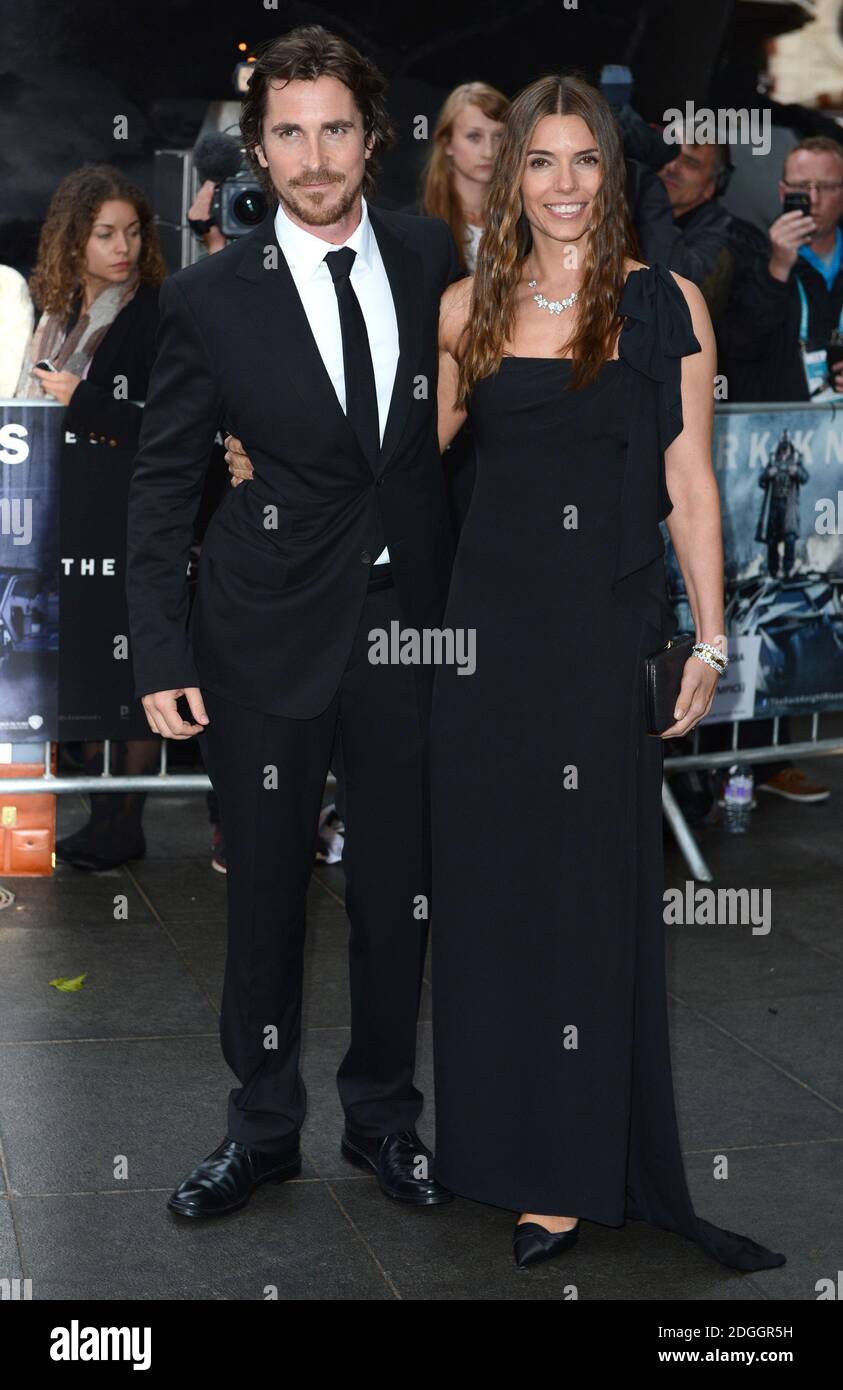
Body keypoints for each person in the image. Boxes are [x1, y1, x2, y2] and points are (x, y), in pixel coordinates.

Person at [429, 73, 785, 1272]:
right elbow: (399, 472)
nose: (567, 185)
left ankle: (569, 1171)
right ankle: (489, 1145)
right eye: (543, 161)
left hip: (601, 638)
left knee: (585, 901)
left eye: (587, 161)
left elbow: (690, 487)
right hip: (487, 644)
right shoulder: (466, 308)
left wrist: (713, 635)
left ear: (613, 176)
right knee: (490, 894)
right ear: (511, 173)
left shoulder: (662, 302)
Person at [125, 24, 459, 1217]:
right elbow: (165, 478)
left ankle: (385, 1119)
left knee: (396, 893)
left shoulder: (433, 258)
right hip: (261, 629)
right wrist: (157, 645)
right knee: (265, 892)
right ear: (256, 148)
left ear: (372, 139)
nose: (312, 158)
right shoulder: (213, 295)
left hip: (406, 630)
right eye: (287, 132)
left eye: (333, 130)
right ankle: (262, 1127)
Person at [15, 164, 166, 870]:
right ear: (73, 239)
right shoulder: (55, 312)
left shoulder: (155, 313)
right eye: (105, 233)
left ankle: (122, 822)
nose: (123, 247)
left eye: (133, 232)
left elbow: (168, 427)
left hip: (127, 521)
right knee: (70, 671)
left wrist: (83, 400)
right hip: (57, 521)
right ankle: (102, 814)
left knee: (129, 677)